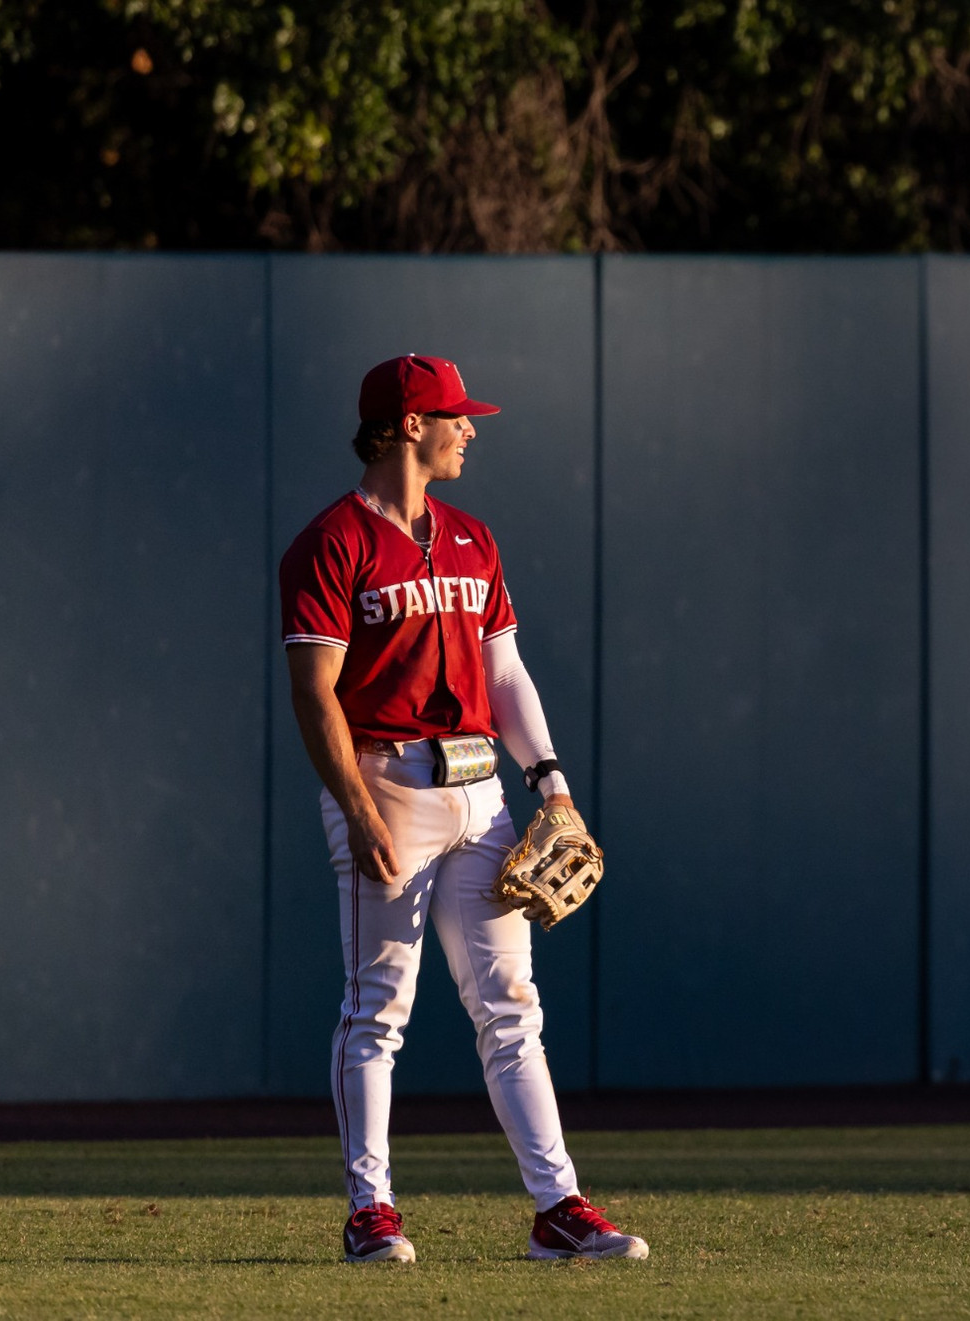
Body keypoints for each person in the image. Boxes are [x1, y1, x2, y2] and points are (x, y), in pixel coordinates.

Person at [279, 353, 646, 1265]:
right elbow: (314, 693)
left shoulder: (474, 539)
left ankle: (559, 1209)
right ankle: (372, 1212)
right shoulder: (332, 543)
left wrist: (549, 779)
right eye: (454, 414)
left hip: (481, 790)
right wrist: (356, 809)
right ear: (409, 425)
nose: (469, 428)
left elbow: (504, 672)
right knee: (378, 1008)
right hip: (388, 784)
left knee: (511, 1005)